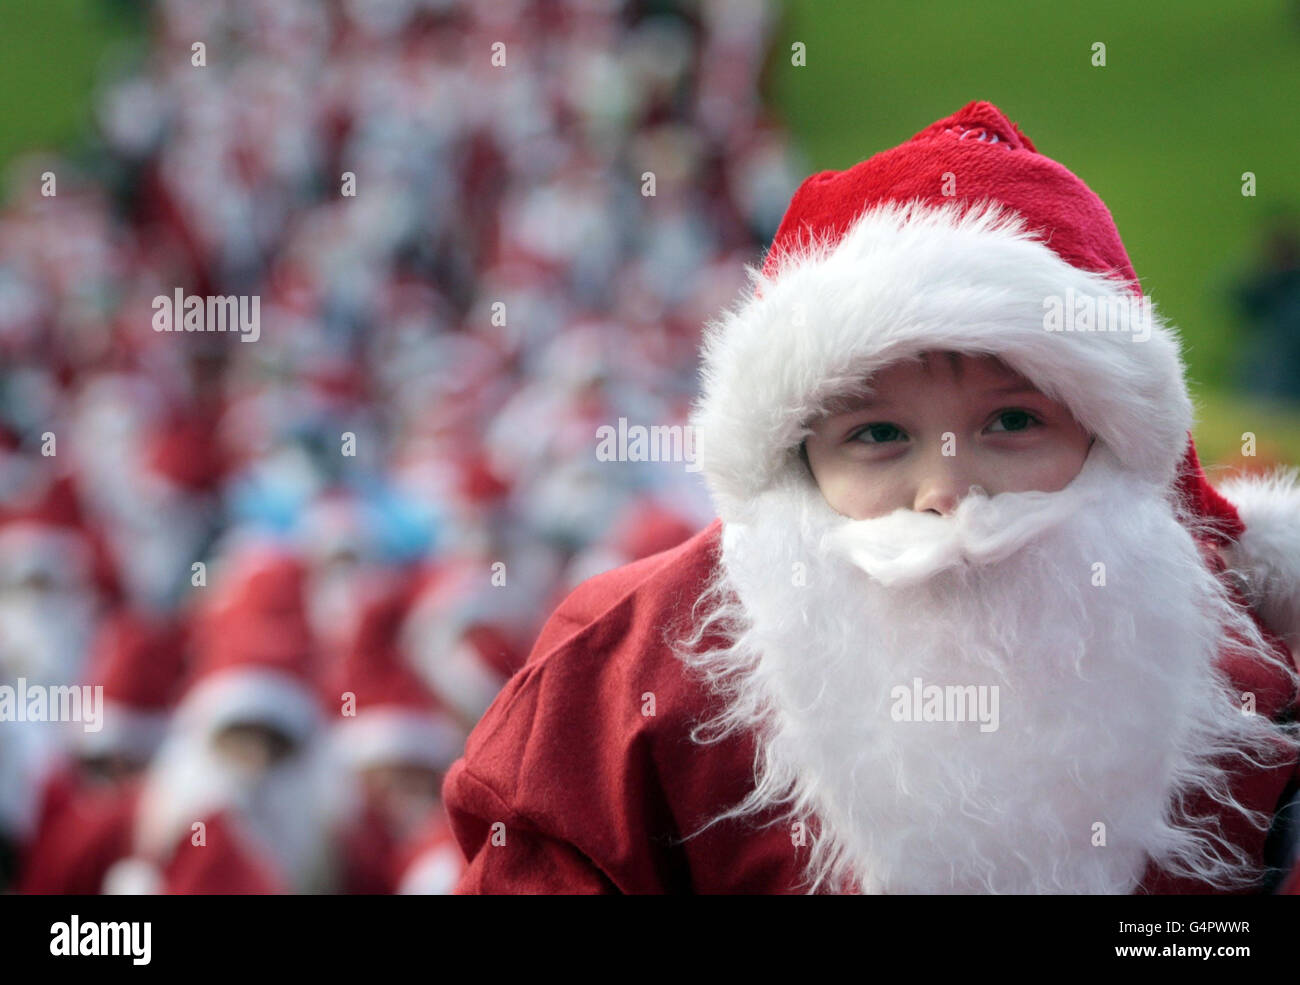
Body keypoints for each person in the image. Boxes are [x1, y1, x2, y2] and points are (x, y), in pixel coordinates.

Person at [441, 101, 1300, 894]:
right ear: (793, 456)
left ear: (1110, 441)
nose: (946, 491)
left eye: (1012, 421)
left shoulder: (1251, 688)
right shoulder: (627, 676)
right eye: (880, 435)